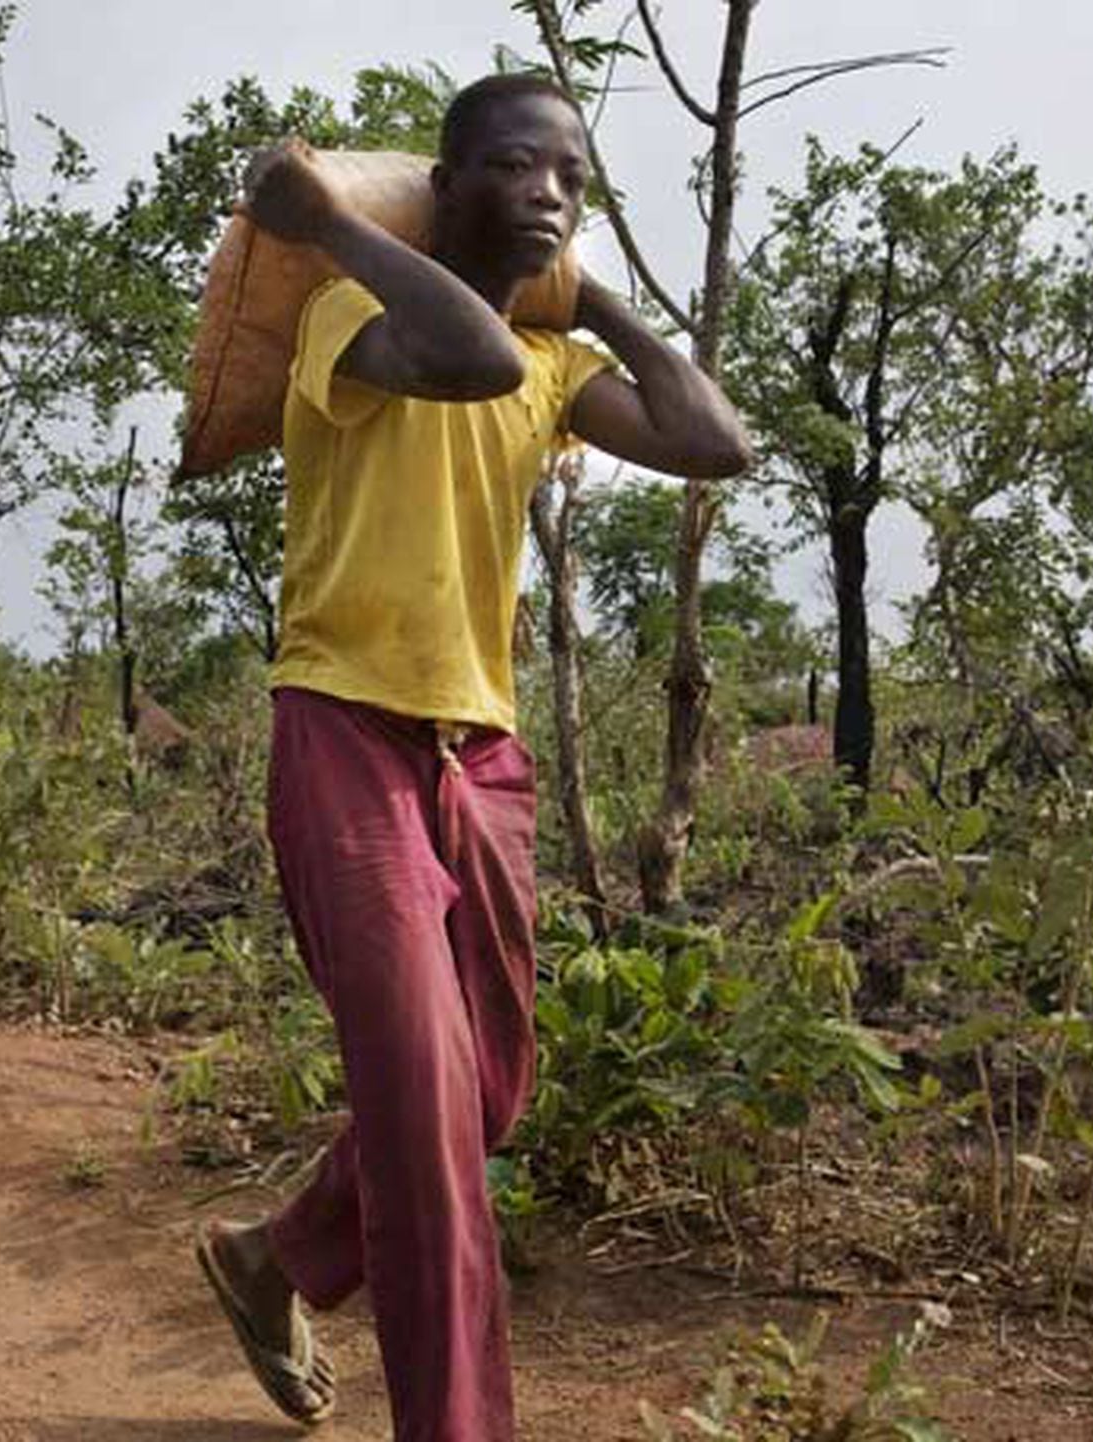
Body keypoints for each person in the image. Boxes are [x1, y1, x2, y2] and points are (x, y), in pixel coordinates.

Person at [193, 75, 752, 1442]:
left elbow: (713, 439)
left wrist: (595, 294)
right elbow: (471, 355)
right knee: (433, 1133)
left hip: (480, 754)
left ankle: (274, 1257)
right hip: (343, 728)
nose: (550, 190)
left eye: (572, 175)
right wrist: (329, 225)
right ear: (444, 188)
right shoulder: (350, 314)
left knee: (490, 1087)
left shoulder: (557, 365)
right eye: (514, 167)